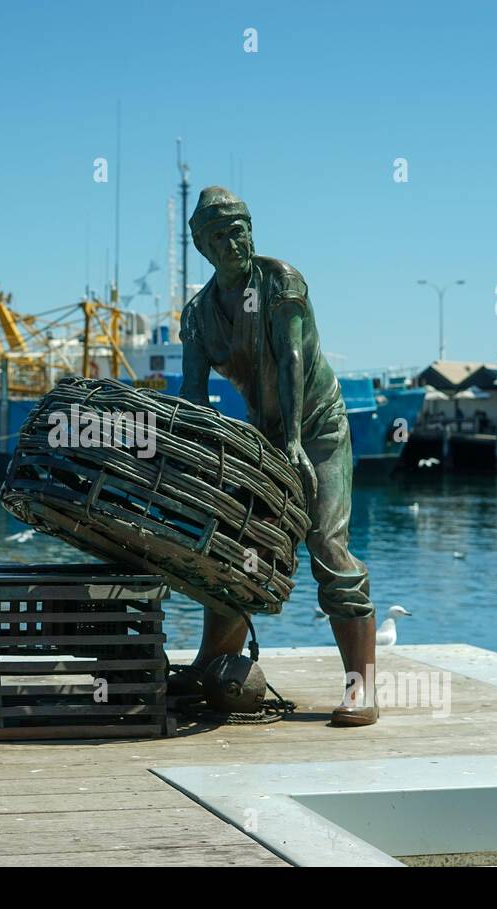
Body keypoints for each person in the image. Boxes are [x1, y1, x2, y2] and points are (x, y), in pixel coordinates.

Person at [177, 187, 380, 726]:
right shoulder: (198, 315)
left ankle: (360, 687)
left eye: (239, 228)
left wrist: (293, 442)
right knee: (236, 544)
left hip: (316, 425)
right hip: (262, 434)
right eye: (218, 235)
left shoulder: (280, 283)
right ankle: (213, 662)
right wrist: (190, 453)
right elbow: (192, 391)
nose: (232, 241)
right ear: (202, 247)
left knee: (326, 544)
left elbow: (290, 359)